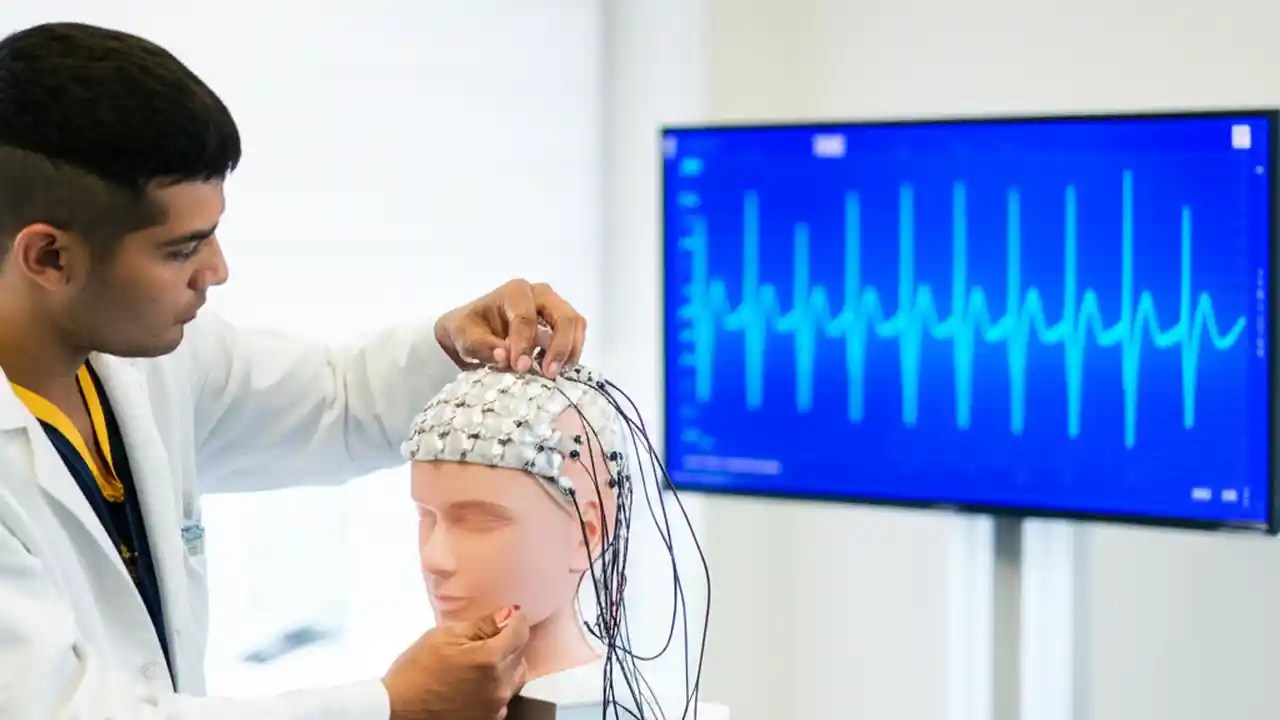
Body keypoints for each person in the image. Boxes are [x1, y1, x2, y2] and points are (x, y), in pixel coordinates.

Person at [0, 21, 590, 720]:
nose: (216, 272)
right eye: (180, 250)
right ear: (50, 258)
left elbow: (335, 403)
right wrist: (389, 707)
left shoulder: (147, 361)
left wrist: (453, 343)